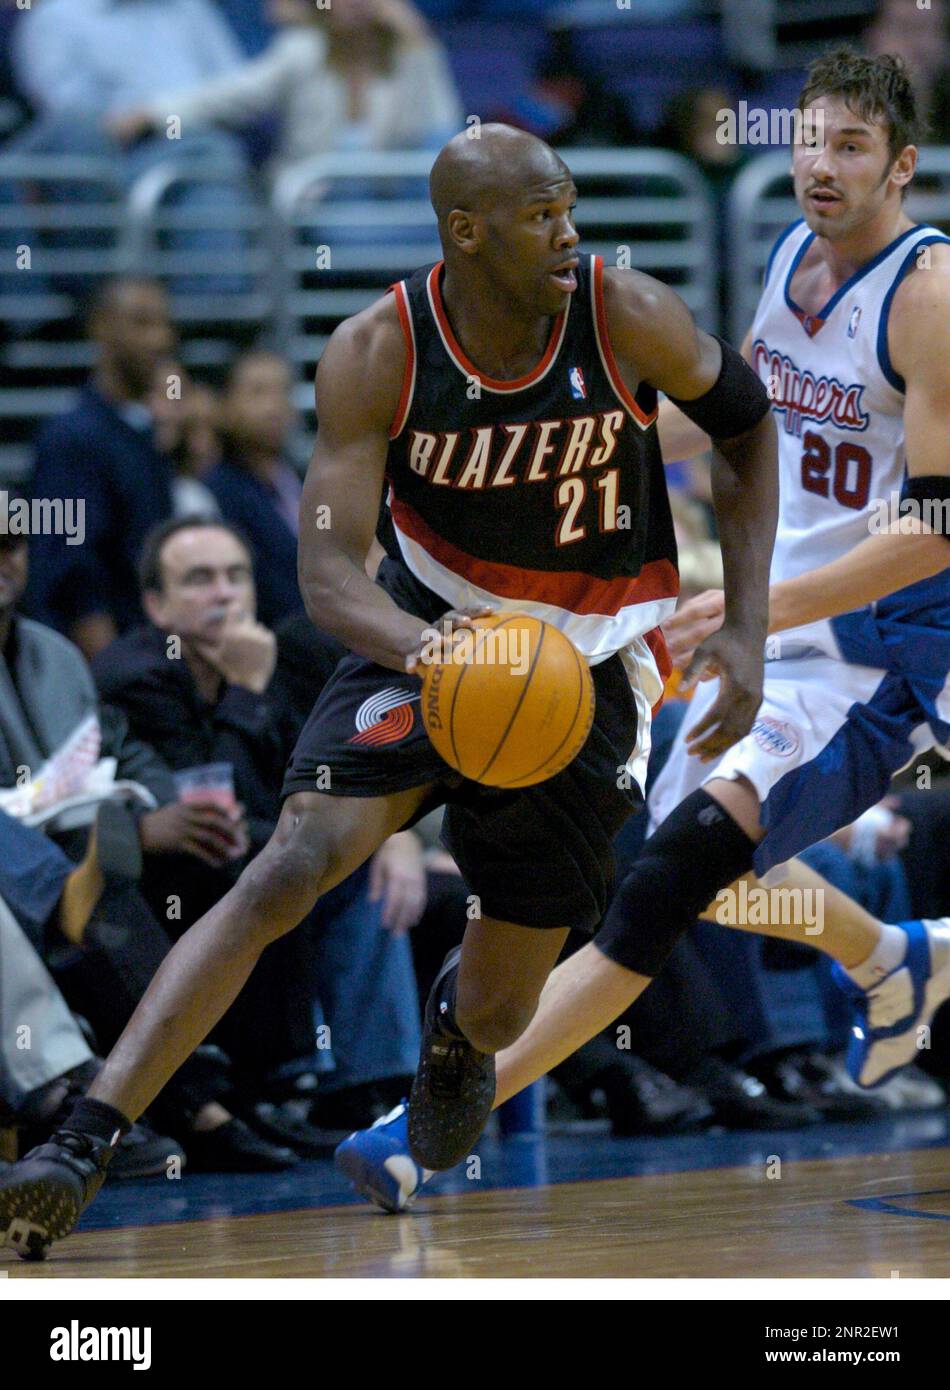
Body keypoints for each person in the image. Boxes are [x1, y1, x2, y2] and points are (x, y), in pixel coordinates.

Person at [0, 122, 778, 1259]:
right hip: (425, 638)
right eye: (541, 214)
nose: (568, 231)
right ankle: (84, 1137)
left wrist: (749, 627)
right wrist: (432, 653)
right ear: (466, 232)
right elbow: (323, 572)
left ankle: (457, 1036)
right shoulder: (377, 351)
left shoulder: (623, 312)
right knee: (287, 864)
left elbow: (748, 430)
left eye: (568, 208)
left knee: (506, 1008)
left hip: (586, 669)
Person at [335, 49, 950, 1216]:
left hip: (881, 649)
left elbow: (936, 527)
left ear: (901, 165)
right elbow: (723, 425)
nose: (819, 165)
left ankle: (424, 1131)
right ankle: (891, 956)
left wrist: (763, 611)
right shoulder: (789, 260)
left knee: (659, 886)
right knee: (692, 875)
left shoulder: (927, 296)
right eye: (807, 140)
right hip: (784, 625)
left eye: (851, 147)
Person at [108, 0, 463, 175]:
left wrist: (417, 39)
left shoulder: (408, 58)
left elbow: (440, 128)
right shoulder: (301, 50)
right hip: (316, 198)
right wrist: (153, 114)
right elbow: (229, 97)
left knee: (437, 153)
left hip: (384, 195)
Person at [27, 279, 176, 659]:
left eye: (163, 324)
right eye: (142, 323)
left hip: (149, 654)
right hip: (106, 672)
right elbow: (73, 579)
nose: (160, 339)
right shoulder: (71, 440)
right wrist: (114, 682)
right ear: (101, 328)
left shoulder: (141, 434)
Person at [204, 350, 305, 627]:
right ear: (225, 405)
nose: (274, 406)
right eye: (258, 392)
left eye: (282, 391)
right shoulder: (216, 491)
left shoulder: (302, 477)